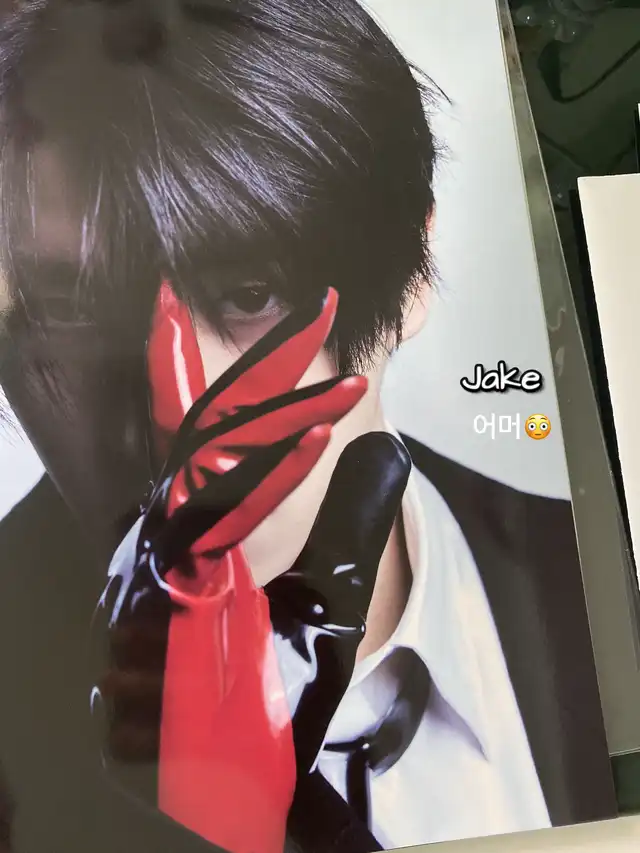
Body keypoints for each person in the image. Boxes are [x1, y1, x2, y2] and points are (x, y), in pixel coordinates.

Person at [0, 2, 615, 853]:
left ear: (411, 276)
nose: (176, 412)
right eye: (74, 308)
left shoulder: (589, 578)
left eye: (250, 293)